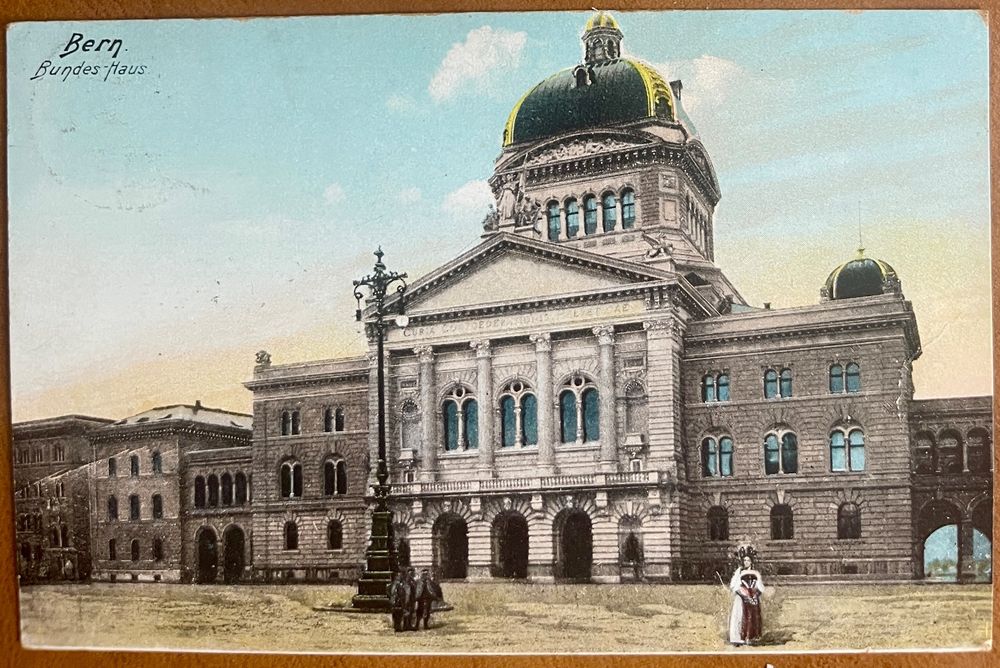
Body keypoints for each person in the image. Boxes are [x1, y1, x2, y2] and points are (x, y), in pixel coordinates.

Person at [728, 547, 764, 645]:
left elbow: (760, 587)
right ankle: (739, 637)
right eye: (745, 560)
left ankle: (751, 637)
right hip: (741, 598)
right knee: (741, 616)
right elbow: (734, 586)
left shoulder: (756, 573)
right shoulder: (739, 572)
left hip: (753, 597)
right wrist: (744, 595)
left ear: (751, 562)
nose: (746, 562)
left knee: (753, 617)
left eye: (748, 560)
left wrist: (755, 595)